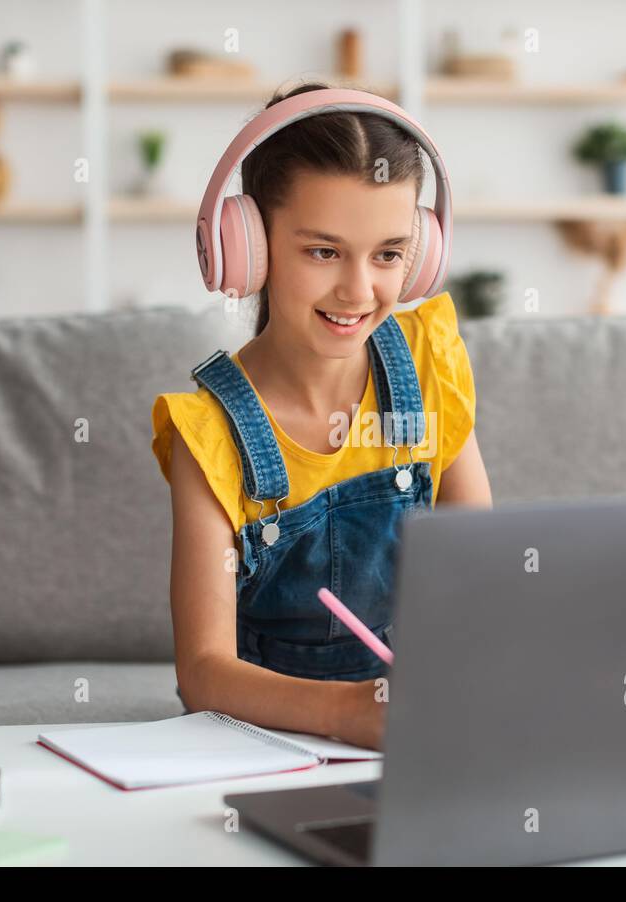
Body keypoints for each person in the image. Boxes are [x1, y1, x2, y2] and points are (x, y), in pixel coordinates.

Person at [151, 82, 492, 751]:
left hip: (426, 735)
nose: (359, 290)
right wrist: (353, 715)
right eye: (323, 251)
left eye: (389, 253)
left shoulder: (427, 364)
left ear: (419, 255)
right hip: (274, 745)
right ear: (247, 248)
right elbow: (202, 674)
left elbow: (484, 580)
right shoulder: (210, 431)